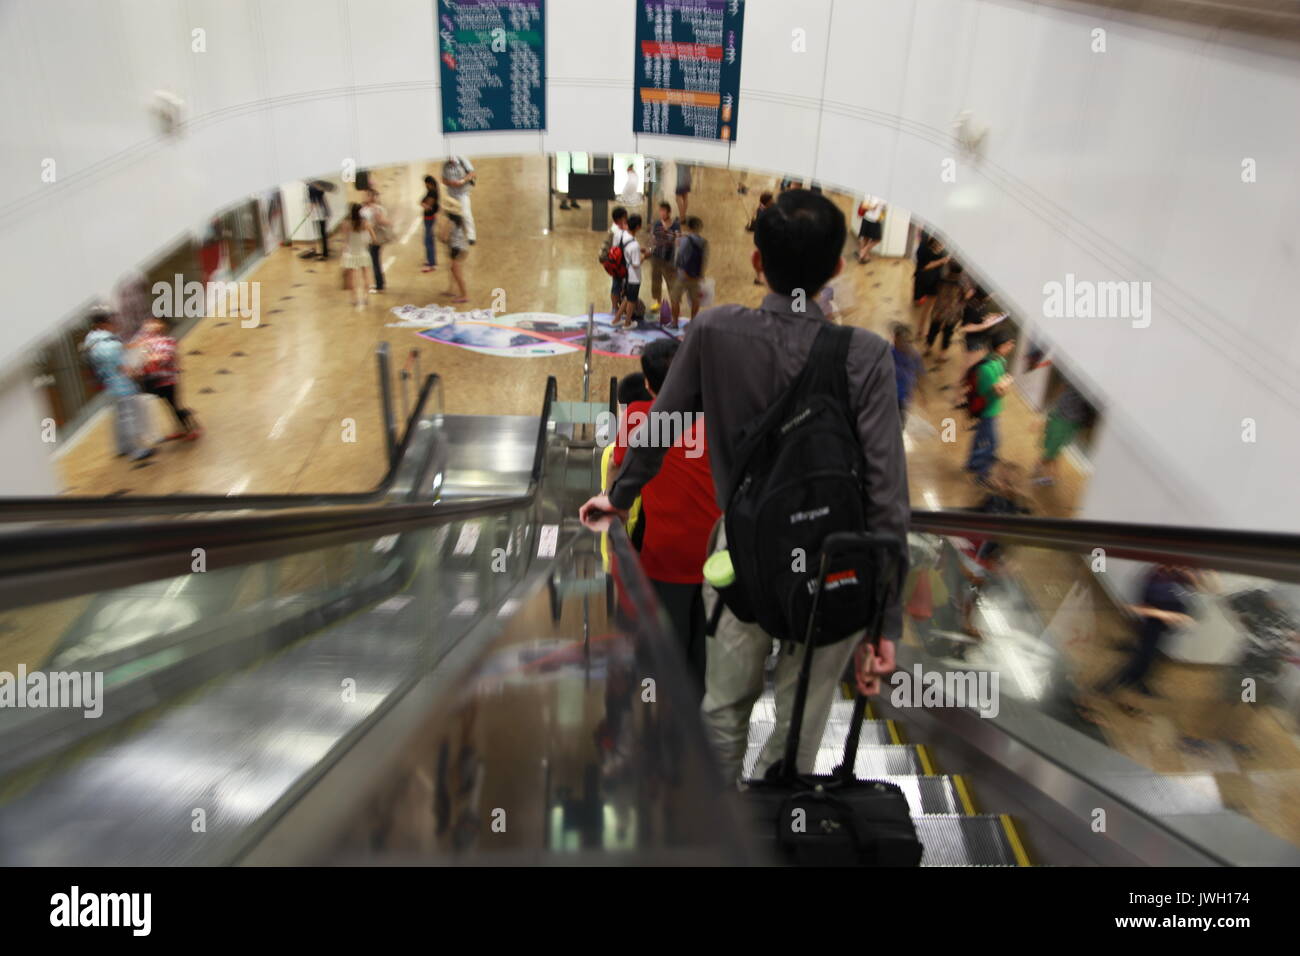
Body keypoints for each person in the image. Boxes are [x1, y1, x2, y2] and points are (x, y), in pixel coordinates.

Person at [580, 189, 909, 786]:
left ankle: (717, 823)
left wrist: (620, 495)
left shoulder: (715, 333)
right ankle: (774, 815)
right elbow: (887, 495)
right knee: (799, 723)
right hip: (832, 564)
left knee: (724, 709)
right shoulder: (867, 357)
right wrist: (885, 621)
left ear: (758, 263)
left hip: (742, 558)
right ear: (837, 267)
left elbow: (664, 424)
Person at [612, 339, 720, 696]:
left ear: (647, 384)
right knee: (706, 653)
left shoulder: (639, 417)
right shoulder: (726, 415)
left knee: (663, 654)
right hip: (718, 562)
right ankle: (702, 721)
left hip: (662, 558)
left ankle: (667, 725)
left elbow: (619, 465)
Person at [1096, 566, 1201, 706]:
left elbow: (1188, 596)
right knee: (1139, 660)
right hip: (1151, 627)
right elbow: (1139, 607)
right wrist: (1168, 615)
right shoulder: (1156, 577)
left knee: (1150, 658)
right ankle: (1105, 687)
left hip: (1163, 629)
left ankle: (1138, 680)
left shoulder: (1180, 578)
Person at [84, 309, 154, 462]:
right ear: (102, 324)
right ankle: (135, 450)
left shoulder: (91, 341)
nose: (114, 325)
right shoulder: (109, 344)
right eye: (111, 322)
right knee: (128, 418)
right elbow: (122, 366)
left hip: (108, 385)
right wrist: (135, 371)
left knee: (120, 418)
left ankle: (122, 447)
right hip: (121, 385)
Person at [131, 318, 200, 441]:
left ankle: (192, 428)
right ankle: (183, 428)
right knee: (169, 406)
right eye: (149, 323)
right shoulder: (146, 341)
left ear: (162, 326)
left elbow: (166, 358)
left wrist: (151, 358)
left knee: (175, 405)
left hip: (168, 380)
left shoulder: (168, 341)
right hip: (156, 380)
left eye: (155, 323)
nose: (150, 326)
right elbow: (142, 356)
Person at [965, 325, 1017, 484]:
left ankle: (972, 463)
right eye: (1009, 344)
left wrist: (1004, 383)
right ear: (1000, 346)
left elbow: (1000, 385)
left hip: (992, 408)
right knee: (992, 444)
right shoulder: (988, 368)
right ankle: (982, 475)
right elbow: (996, 391)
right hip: (988, 410)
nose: (1012, 347)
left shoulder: (998, 360)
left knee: (980, 436)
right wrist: (1006, 383)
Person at [1032, 383, 1092, 486]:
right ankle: (1051, 476)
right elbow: (1062, 396)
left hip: (1066, 421)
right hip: (1059, 415)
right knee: (1052, 449)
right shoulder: (1073, 382)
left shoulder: (1086, 387)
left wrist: (1038, 463)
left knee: (1051, 450)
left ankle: (1048, 475)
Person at [925, 261, 973, 359]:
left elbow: (936, 288)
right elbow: (967, 295)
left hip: (939, 308)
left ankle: (927, 349)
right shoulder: (964, 281)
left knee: (933, 329)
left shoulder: (943, 276)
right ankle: (942, 355)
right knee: (948, 333)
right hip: (953, 312)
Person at [668, 216, 706, 329]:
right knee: (695, 300)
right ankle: (693, 323)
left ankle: (674, 323)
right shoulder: (703, 242)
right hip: (696, 276)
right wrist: (700, 275)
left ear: (688, 227)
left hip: (683, 276)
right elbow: (704, 259)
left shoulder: (685, 240)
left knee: (674, 298)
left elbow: (680, 257)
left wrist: (675, 269)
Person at [912, 232, 949, 336]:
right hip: (924, 279)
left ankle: (921, 329)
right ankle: (922, 328)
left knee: (928, 308)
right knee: (920, 303)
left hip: (934, 281)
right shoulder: (924, 248)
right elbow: (924, 266)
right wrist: (942, 261)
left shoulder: (942, 250)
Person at [340, 203, 375, 307]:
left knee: (352, 278)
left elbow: (345, 240)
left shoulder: (346, 224)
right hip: (363, 252)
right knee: (366, 275)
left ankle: (353, 298)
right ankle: (366, 297)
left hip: (351, 253)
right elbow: (373, 238)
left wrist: (343, 252)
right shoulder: (365, 223)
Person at [613, 214, 644, 329]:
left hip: (625, 274)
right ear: (638, 227)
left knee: (626, 297)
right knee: (631, 300)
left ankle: (616, 319)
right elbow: (636, 264)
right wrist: (644, 256)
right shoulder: (634, 244)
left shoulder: (623, 235)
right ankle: (627, 323)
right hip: (634, 277)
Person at [891, 323, 924, 427]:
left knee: (900, 419)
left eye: (907, 341)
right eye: (900, 341)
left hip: (902, 395)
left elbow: (919, 374)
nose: (903, 344)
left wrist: (922, 393)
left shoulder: (914, 356)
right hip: (888, 393)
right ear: (895, 340)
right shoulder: (888, 352)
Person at [648, 202, 680, 309]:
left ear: (669, 212)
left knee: (672, 283)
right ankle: (658, 302)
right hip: (656, 258)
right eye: (660, 211)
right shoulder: (657, 224)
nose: (661, 213)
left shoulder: (675, 225)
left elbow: (678, 241)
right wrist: (650, 250)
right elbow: (652, 240)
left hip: (669, 260)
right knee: (656, 281)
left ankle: (675, 305)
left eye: (663, 211)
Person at [360, 188, 390, 293]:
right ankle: (380, 282)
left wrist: (376, 221)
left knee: (375, 262)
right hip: (370, 239)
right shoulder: (366, 209)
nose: (364, 197)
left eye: (367, 195)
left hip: (374, 239)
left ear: (372, 197)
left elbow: (384, 222)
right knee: (375, 261)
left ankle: (379, 285)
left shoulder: (374, 210)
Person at [441, 196, 470, 303]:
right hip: (461, 247)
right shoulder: (459, 219)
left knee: (457, 272)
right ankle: (451, 289)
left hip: (456, 249)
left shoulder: (450, 222)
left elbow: (443, 237)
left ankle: (464, 295)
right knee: (453, 269)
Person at [441, 155, 477, 243]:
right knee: (453, 215)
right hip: (451, 194)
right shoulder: (445, 164)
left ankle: (471, 235)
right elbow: (443, 179)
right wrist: (451, 183)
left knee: (466, 213)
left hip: (463, 193)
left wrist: (462, 181)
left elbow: (472, 173)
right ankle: (454, 235)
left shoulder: (463, 160)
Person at [606, 206, 631, 315]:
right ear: (620, 219)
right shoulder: (617, 231)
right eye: (625, 217)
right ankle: (615, 308)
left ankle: (616, 308)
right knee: (617, 285)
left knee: (617, 285)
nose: (627, 219)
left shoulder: (615, 229)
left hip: (617, 263)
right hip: (620, 263)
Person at [747, 192, 773, 284]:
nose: (772, 202)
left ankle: (761, 277)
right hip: (762, 241)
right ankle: (759, 278)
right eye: (771, 200)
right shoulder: (763, 215)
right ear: (767, 202)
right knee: (762, 260)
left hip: (760, 240)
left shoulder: (761, 208)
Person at [856, 195, 885, 263]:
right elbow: (866, 206)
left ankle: (862, 257)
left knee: (866, 238)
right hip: (874, 219)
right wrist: (874, 206)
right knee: (877, 239)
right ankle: (863, 251)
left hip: (868, 218)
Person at [420, 174, 440, 273]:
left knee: (428, 241)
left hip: (429, 218)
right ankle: (431, 261)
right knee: (429, 240)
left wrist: (423, 204)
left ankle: (431, 263)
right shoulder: (432, 191)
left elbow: (427, 205)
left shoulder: (432, 192)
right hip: (429, 218)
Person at [307, 181, 330, 259]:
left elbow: (313, 202)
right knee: (323, 233)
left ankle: (321, 252)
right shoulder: (318, 186)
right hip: (322, 213)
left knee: (320, 233)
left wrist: (310, 211)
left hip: (319, 214)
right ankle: (324, 252)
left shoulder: (311, 187)